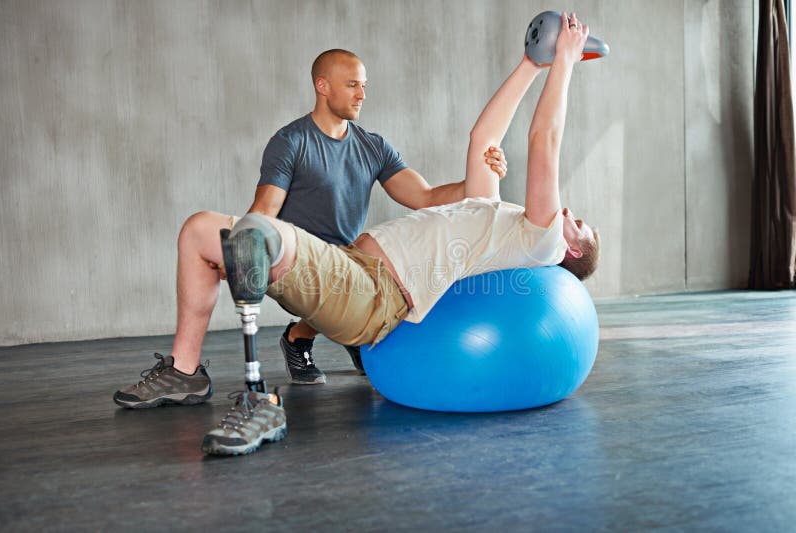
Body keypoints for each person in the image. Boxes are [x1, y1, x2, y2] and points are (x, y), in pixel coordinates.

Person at [200, 13, 601, 456]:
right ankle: (270, 321)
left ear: (570, 247)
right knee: (225, 231)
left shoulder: (540, 241)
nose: (566, 211)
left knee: (250, 233)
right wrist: (531, 64)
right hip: (356, 264)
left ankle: (263, 380)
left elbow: (544, 139)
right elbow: (482, 136)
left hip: (373, 288)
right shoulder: (495, 212)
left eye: (576, 222)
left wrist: (564, 60)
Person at [113, 50, 507, 408]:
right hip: (298, 263)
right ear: (323, 86)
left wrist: (480, 176)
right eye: (352, 84)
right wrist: (235, 250)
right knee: (203, 232)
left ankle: (311, 337)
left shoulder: (373, 147)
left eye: (364, 86)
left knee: (369, 274)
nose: (362, 95)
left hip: (351, 270)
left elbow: (426, 196)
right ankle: (186, 372)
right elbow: (264, 209)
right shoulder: (291, 142)